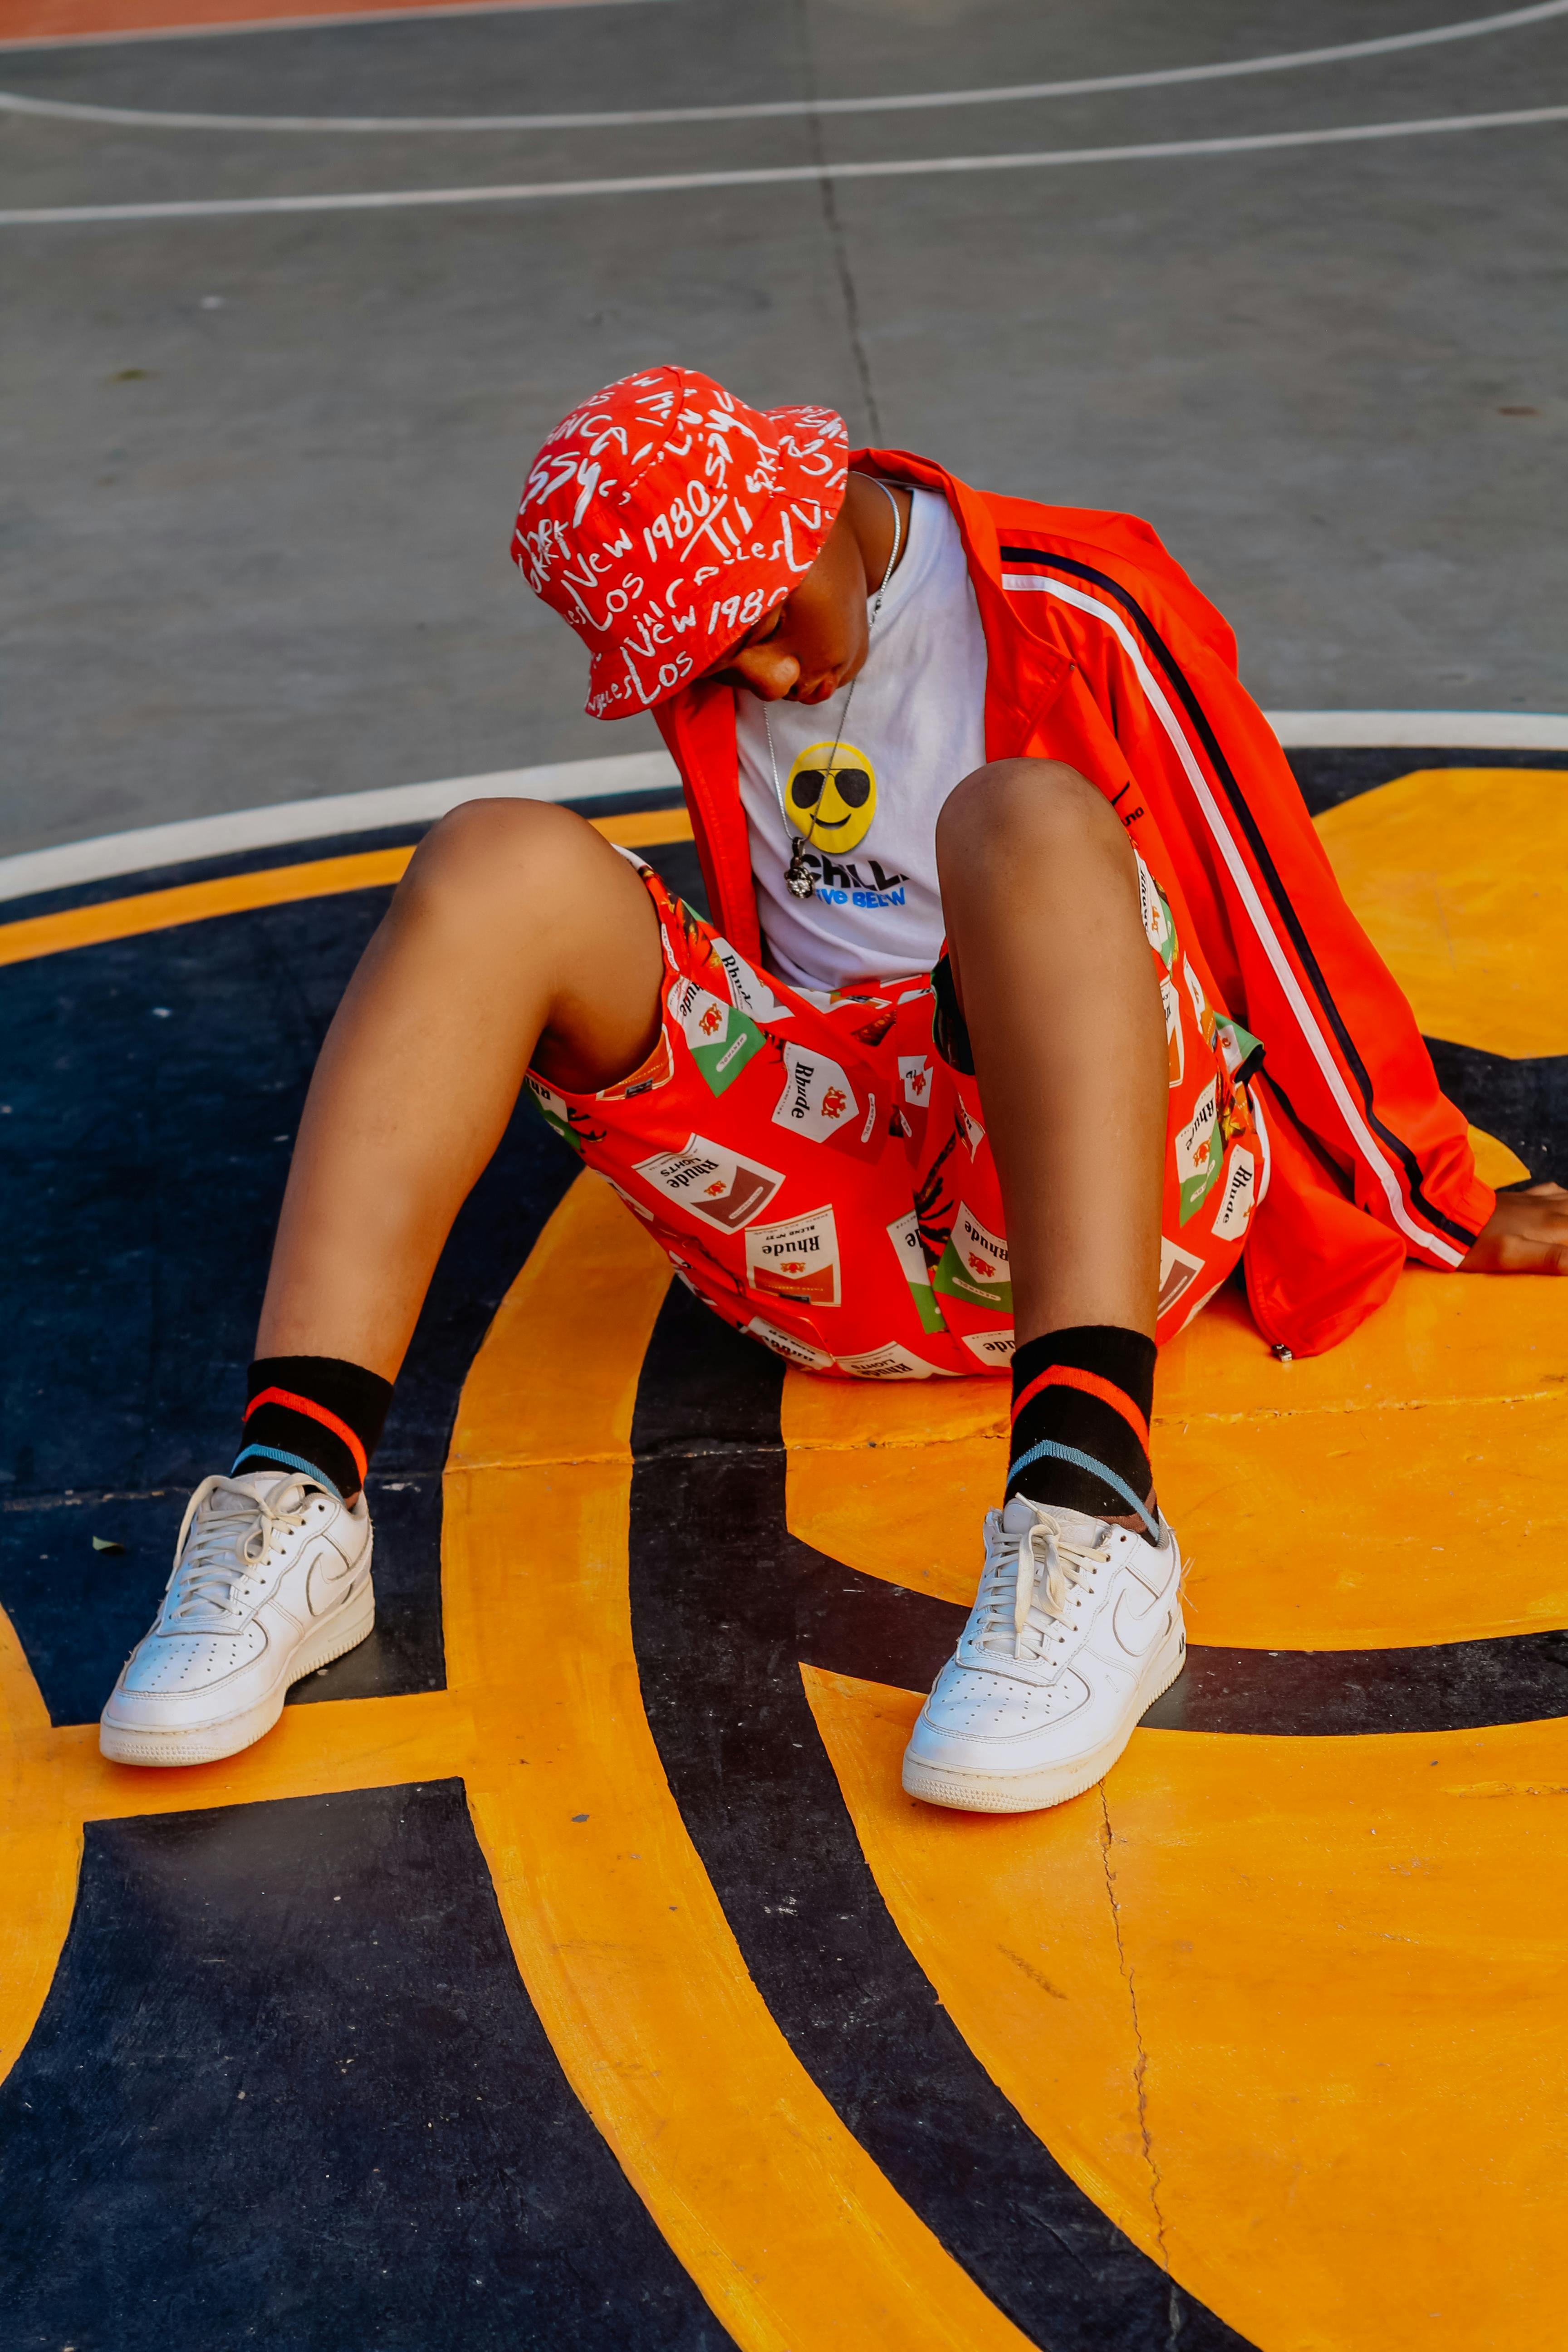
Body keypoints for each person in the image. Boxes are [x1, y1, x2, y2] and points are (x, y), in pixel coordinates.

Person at [99, 366, 1568, 1809]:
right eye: (711, 671)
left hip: (1091, 1200)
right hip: (828, 1225)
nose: (766, 682)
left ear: (806, 516)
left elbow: (1270, 900)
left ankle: (1089, 1512)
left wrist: (1426, 1191)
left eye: (756, 633)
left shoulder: (1078, 597)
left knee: (1020, 819)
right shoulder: (744, 639)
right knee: (492, 856)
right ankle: (293, 1499)